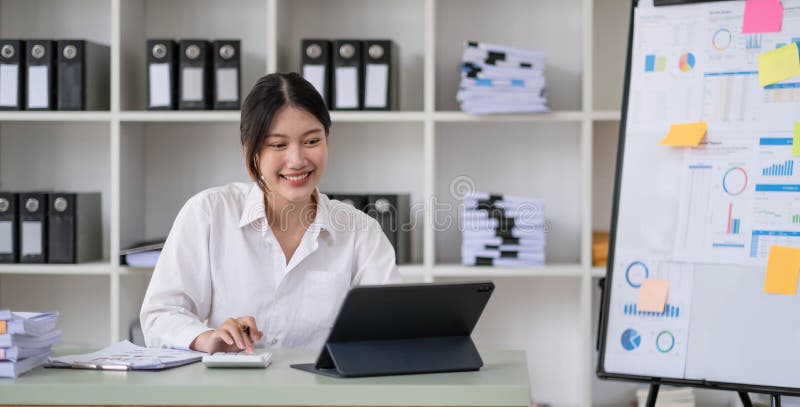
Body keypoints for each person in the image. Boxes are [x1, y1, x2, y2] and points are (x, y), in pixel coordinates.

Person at [140, 72, 401, 354]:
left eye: (312, 141)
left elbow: (393, 328)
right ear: (250, 152)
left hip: (323, 396)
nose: (297, 160)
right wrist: (208, 338)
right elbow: (160, 315)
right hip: (232, 394)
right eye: (278, 145)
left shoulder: (360, 231)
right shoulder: (209, 214)